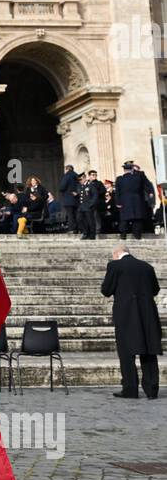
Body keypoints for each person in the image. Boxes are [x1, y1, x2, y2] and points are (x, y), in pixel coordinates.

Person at [101, 247, 162, 399]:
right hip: (147, 314)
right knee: (148, 350)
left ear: (116, 254)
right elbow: (155, 289)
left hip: (126, 314)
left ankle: (130, 389)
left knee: (126, 353)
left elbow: (106, 290)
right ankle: (152, 389)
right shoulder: (146, 266)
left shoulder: (115, 265)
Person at [78, 169, 105, 239]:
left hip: (88, 206)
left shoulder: (90, 185)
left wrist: (91, 204)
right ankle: (85, 232)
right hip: (82, 207)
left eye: (81, 179)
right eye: (79, 180)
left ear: (84, 178)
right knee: (80, 219)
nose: (80, 181)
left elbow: (95, 195)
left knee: (90, 221)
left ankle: (92, 234)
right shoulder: (81, 186)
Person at [59, 164, 80, 234]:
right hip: (77, 198)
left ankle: (71, 229)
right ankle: (78, 229)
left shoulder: (67, 176)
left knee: (70, 214)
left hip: (68, 198)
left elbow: (62, 187)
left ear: (67, 169)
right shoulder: (77, 176)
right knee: (76, 214)